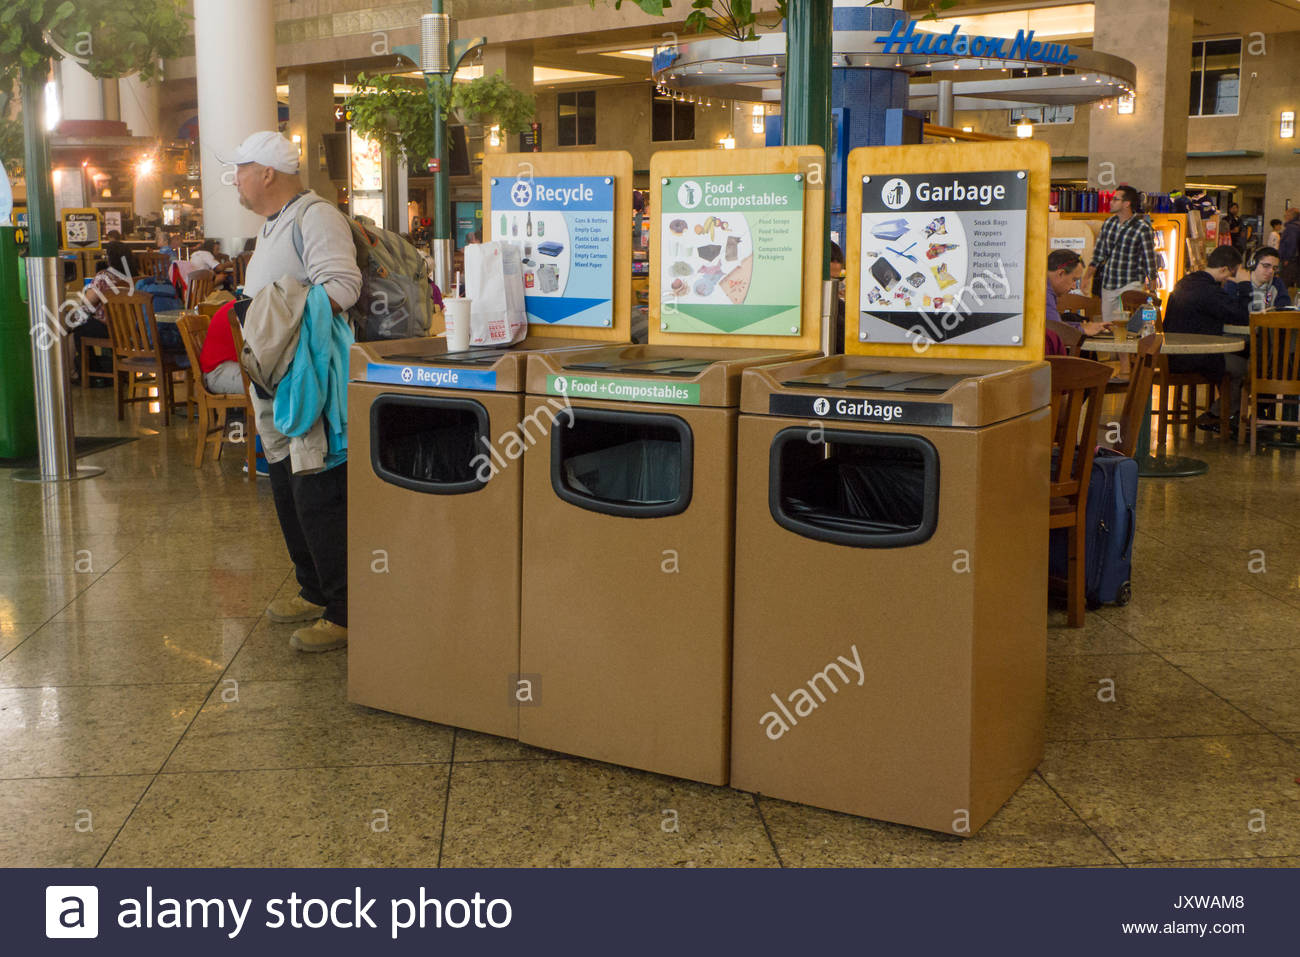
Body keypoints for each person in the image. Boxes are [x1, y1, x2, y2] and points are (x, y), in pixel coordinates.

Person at [228, 130, 362, 653]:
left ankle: (345, 611)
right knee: (286, 484)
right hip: (275, 380)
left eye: (240, 169)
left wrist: (278, 324)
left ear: (266, 172)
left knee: (317, 490)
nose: (235, 181)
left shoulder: (317, 216)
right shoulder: (272, 225)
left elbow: (342, 287)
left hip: (307, 378)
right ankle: (312, 588)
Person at [1162, 245, 1252, 431]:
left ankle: (1221, 414)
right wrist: (1244, 285)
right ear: (1223, 269)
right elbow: (1242, 315)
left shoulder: (1185, 282)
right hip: (1195, 357)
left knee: (1241, 357)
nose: (1229, 280)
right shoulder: (1209, 291)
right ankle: (1219, 416)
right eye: (1231, 275)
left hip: (1173, 355)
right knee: (1246, 368)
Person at [1082, 185, 1158, 329]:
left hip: (1131, 283)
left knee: (1129, 328)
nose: (1111, 202)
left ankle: (1126, 352)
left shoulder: (1142, 228)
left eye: (1116, 199)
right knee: (1109, 327)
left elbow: (1149, 258)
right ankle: (1113, 352)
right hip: (1109, 284)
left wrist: (1152, 288)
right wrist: (1087, 277)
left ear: (1127, 203)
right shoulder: (1109, 224)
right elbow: (1099, 253)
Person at [1046, 249, 1107, 337]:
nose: (1074, 287)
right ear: (1061, 273)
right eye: (1074, 280)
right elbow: (1056, 330)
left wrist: (1081, 326)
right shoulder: (1045, 294)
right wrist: (1082, 329)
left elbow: (1053, 324)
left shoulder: (1044, 287)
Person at [1222, 246, 1291, 313]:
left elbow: (1284, 310)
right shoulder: (1236, 282)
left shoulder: (1277, 283)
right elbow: (1230, 312)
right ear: (1253, 264)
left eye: (1274, 268)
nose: (1271, 271)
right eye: (1266, 266)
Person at [1278, 209, 1300, 290]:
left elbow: (1291, 243)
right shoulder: (1297, 226)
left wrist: (1286, 258)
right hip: (1297, 261)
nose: (1285, 217)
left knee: (1284, 283)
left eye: (1286, 215)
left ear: (1291, 216)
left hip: (1291, 261)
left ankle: (1283, 301)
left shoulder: (1291, 228)